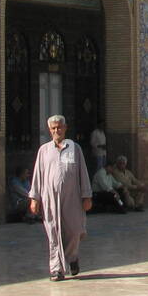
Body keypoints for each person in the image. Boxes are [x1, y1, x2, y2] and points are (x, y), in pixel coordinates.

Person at [29, 114, 93, 280]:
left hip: (72, 197)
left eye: (59, 127)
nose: (56, 130)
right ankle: (56, 268)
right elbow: (38, 175)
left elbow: (83, 172)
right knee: (53, 231)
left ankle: (72, 257)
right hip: (49, 198)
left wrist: (86, 196)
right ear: (49, 130)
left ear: (65, 128)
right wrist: (34, 198)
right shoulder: (44, 150)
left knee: (74, 230)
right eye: (53, 128)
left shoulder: (74, 148)